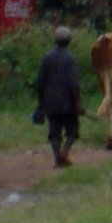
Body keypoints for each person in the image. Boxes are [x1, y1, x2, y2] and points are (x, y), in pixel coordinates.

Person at [35, 25, 82, 168]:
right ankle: (64, 153)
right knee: (73, 131)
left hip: (50, 102)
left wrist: (41, 103)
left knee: (54, 132)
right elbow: (74, 84)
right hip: (68, 103)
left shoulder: (47, 57)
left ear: (55, 40)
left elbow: (40, 83)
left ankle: (57, 159)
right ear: (69, 41)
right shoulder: (70, 59)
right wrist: (78, 104)